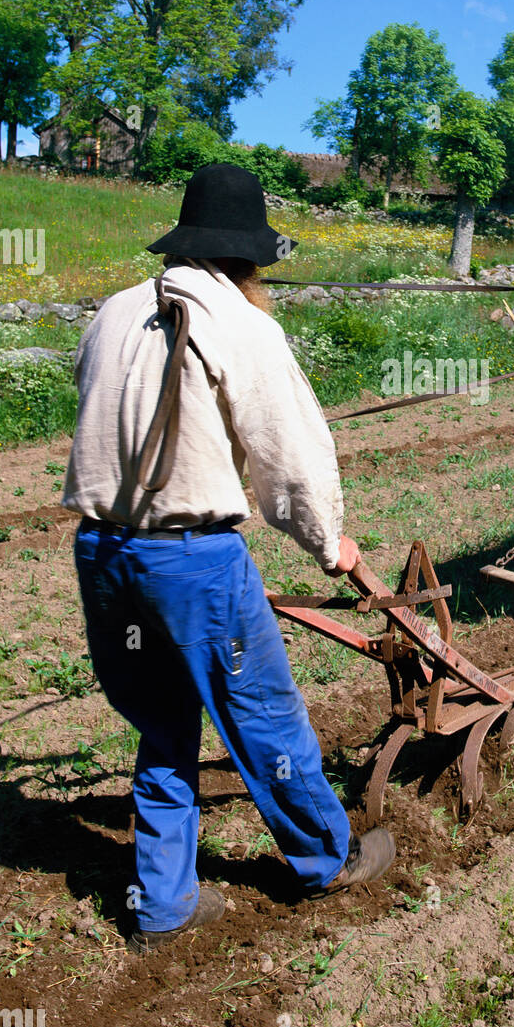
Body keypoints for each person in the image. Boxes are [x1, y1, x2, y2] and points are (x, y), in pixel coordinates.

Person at [62, 162, 396, 953]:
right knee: (261, 716)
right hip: (192, 559)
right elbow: (289, 452)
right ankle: (327, 859)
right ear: (248, 260)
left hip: (102, 549)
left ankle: (163, 906)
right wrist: (328, 542)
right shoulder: (244, 324)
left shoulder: (112, 312)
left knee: (162, 726)